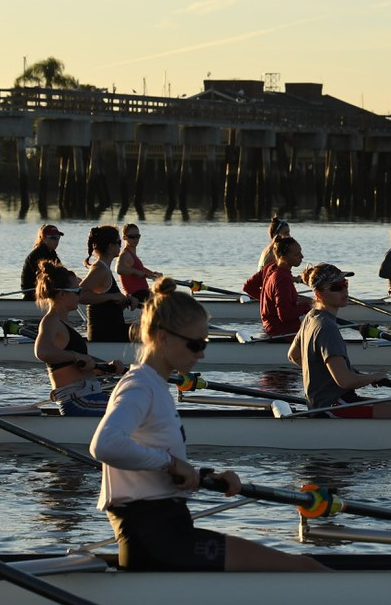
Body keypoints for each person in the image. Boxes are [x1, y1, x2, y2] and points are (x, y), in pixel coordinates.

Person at [89, 277, 326, 572]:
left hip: (166, 533)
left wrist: (205, 476)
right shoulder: (139, 385)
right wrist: (171, 464)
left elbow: (154, 468)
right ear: (163, 337)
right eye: (195, 344)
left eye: (205, 344)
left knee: (303, 565)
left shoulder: (155, 386)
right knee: (306, 568)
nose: (201, 353)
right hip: (158, 541)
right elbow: (105, 445)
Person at [289, 263, 391, 419]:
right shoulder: (327, 327)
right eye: (336, 287)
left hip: (325, 404)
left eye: (345, 284)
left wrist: (327, 373)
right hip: (335, 406)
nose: (344, 291)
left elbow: (294, 356)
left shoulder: (311, 316)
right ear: (318, 294)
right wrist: (373, 377)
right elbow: (345, 381)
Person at [34, 261, 121, 416]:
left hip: (88, 396)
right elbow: (42, 352)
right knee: (136, 411)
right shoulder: (51, 321)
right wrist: (76, 356)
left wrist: (104, 368)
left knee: (139, 404)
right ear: (62, 294)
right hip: (77, 402)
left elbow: (73, 366)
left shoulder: (63, 323)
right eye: (77, 291)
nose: (80, 295)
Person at [79, 226, 139, 343]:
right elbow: (78, 295)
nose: (120, 246)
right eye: (119, 242)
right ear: (110, 246)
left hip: (112, 330)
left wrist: (124, 301)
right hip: (105, 334)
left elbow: (105, 305)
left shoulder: (104, 269)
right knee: (153, 331)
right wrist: (111, 296)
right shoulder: (99, 269)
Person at [258, 236, 311, 339]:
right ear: (283, 257)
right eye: (296, 254)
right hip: (283, 334)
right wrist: (310, 305)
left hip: (281, 331)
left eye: (300, 252)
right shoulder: (281, 278)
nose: (302, 256)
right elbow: (285, 315)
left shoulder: (276, 273)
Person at [118, 224, 161, 303]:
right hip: (136, 296)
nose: (135, 239)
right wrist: (136, 272)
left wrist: (153, 274)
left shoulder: (132, 255)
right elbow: (119, 269)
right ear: (124, 237)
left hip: (142, 293)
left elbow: (141, 270)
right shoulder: (125, 254)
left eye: (137, 236)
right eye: (132, 237)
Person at [19, 225, 63, 301]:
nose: (57, 241)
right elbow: (45, 277)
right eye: (53, 238)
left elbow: (62, 273)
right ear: (44, 238)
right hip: (31, 294)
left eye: (58, 238)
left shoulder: (52, 254)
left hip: (44, 291)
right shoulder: (37, 255)